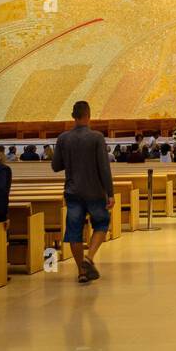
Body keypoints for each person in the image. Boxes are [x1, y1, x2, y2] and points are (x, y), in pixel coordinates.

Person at [52, 101, 113, 284]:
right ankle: (89, 257)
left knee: (74, 232)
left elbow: (56, 166)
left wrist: (71, 159)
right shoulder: (96, 137)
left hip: (73, 191)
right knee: (102, 223)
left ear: (73, 116)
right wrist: (110, 192)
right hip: (94, 191)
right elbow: (104, 168)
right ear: (88, 115)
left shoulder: (63, 138)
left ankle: (81, 272)